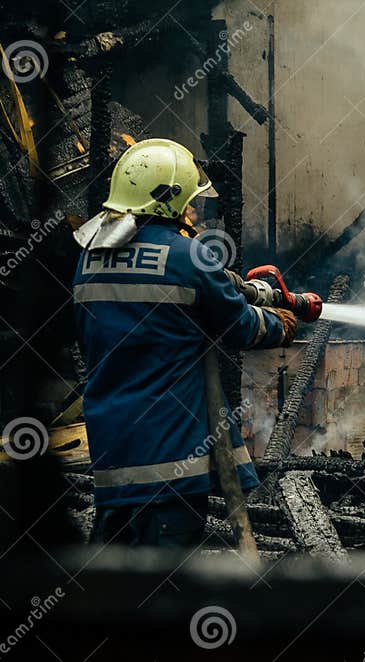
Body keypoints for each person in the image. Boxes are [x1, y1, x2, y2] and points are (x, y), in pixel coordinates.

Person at [72, 138, 297, 547]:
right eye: (190, 203)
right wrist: (280, 323)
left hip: (111, 461)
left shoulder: (88, 260)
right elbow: (240, 326)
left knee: (111, 592)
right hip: (170, 466)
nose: (194, 212)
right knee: (166, 596)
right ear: (170, 200)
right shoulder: (187, 256)